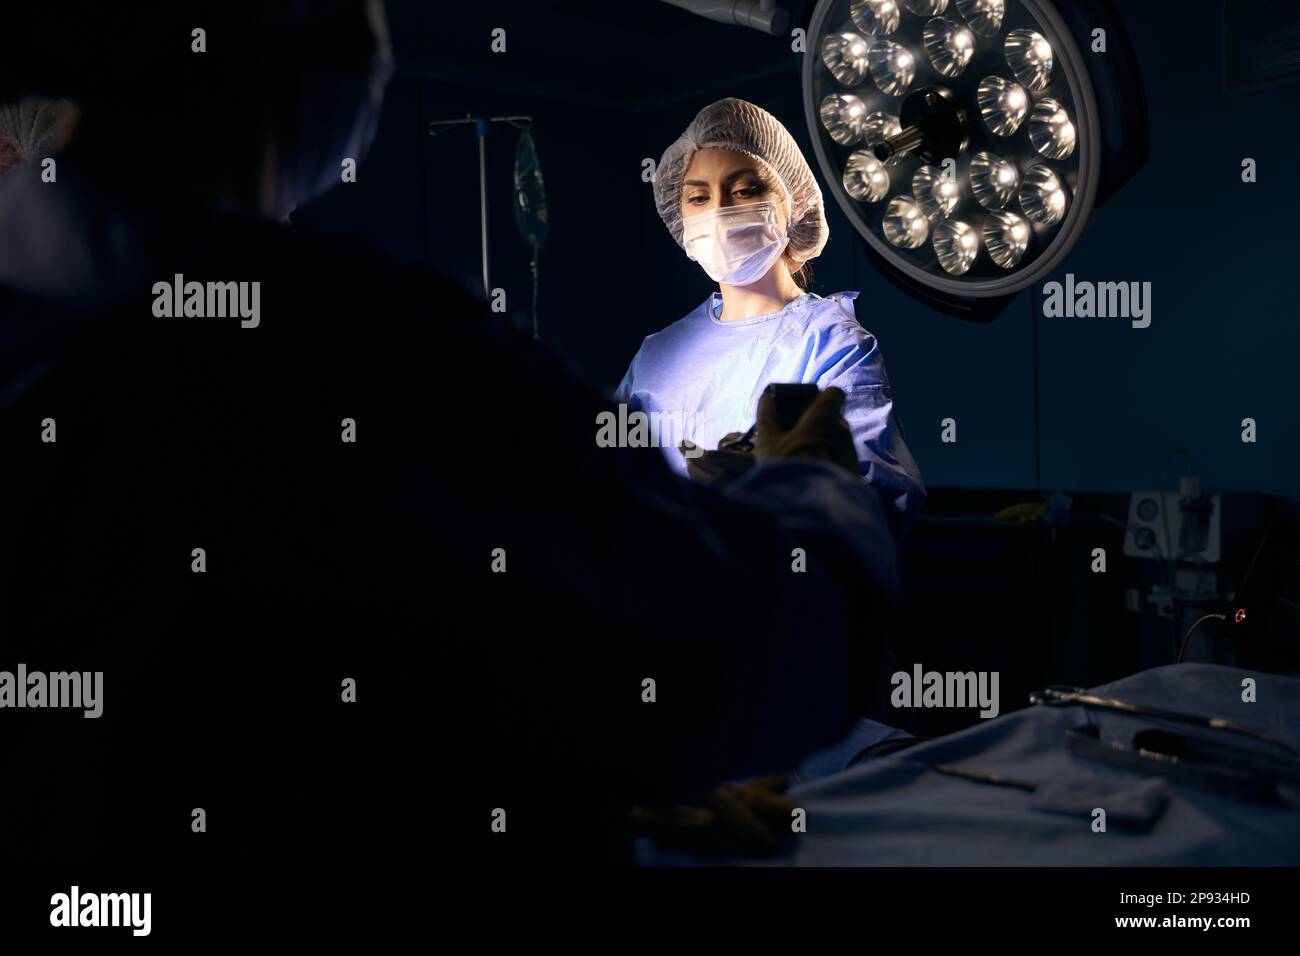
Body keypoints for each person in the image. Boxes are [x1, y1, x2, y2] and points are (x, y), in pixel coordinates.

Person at [0, 2, 904, 863]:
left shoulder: (64, 326)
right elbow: (727, 650)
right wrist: (815, 498)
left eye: (743, 187)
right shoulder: (371, 348)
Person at [615, 97, 926, 536]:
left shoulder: (831, 344)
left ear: (792, 203)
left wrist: (767, 491)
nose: (720, 211)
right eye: (699, 197)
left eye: (745, 190)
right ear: (678, 212)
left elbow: (877, 501)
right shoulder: (657, 353)